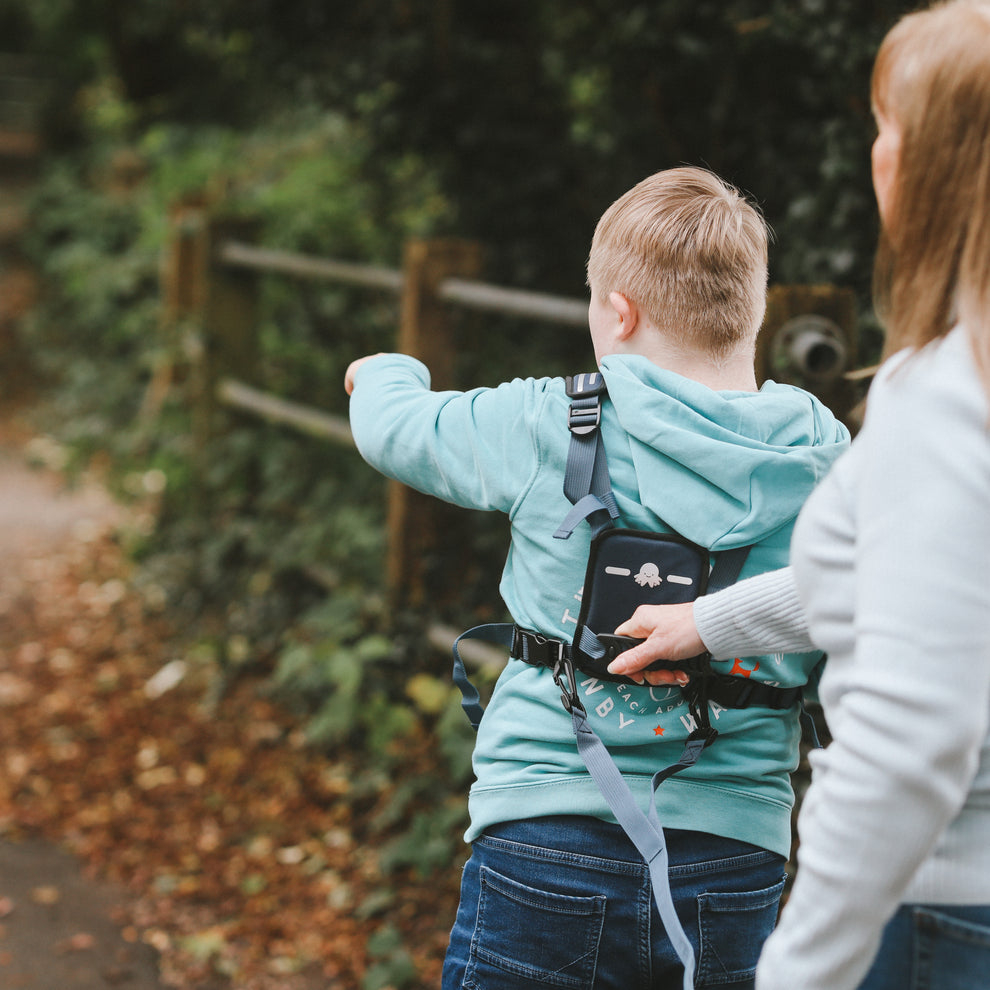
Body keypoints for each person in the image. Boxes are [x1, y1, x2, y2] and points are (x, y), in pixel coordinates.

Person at [345, 166, 849, 989]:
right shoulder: (826, 462)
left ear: (619, 311)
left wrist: (383, 372)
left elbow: (398, 431)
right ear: (754, 311)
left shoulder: (547, 421)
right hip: (735, 856)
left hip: (544, 834)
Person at [608, 4, 990, 989]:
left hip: (942, 917)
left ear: (937, 166)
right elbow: (917, 589)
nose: (876, 153)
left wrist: (802, 968)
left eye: (888, 126)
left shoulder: (948, 394)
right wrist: (710, 622)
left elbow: (913, 733)